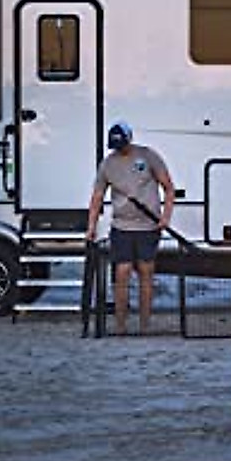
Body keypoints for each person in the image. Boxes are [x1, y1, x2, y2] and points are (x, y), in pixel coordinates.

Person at [86, 120, 175, 335]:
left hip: (148, 226)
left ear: (130, 139)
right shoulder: (108, 164)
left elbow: (168, 187)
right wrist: (91, 226)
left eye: (123, 144)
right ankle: (120, 325)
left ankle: (144, 324)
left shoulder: (148, 156)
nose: (120, 149)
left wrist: (165, 217)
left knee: (146, 272)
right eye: (116, 146)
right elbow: (97, 196)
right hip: (121, 226)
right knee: (122, 273)